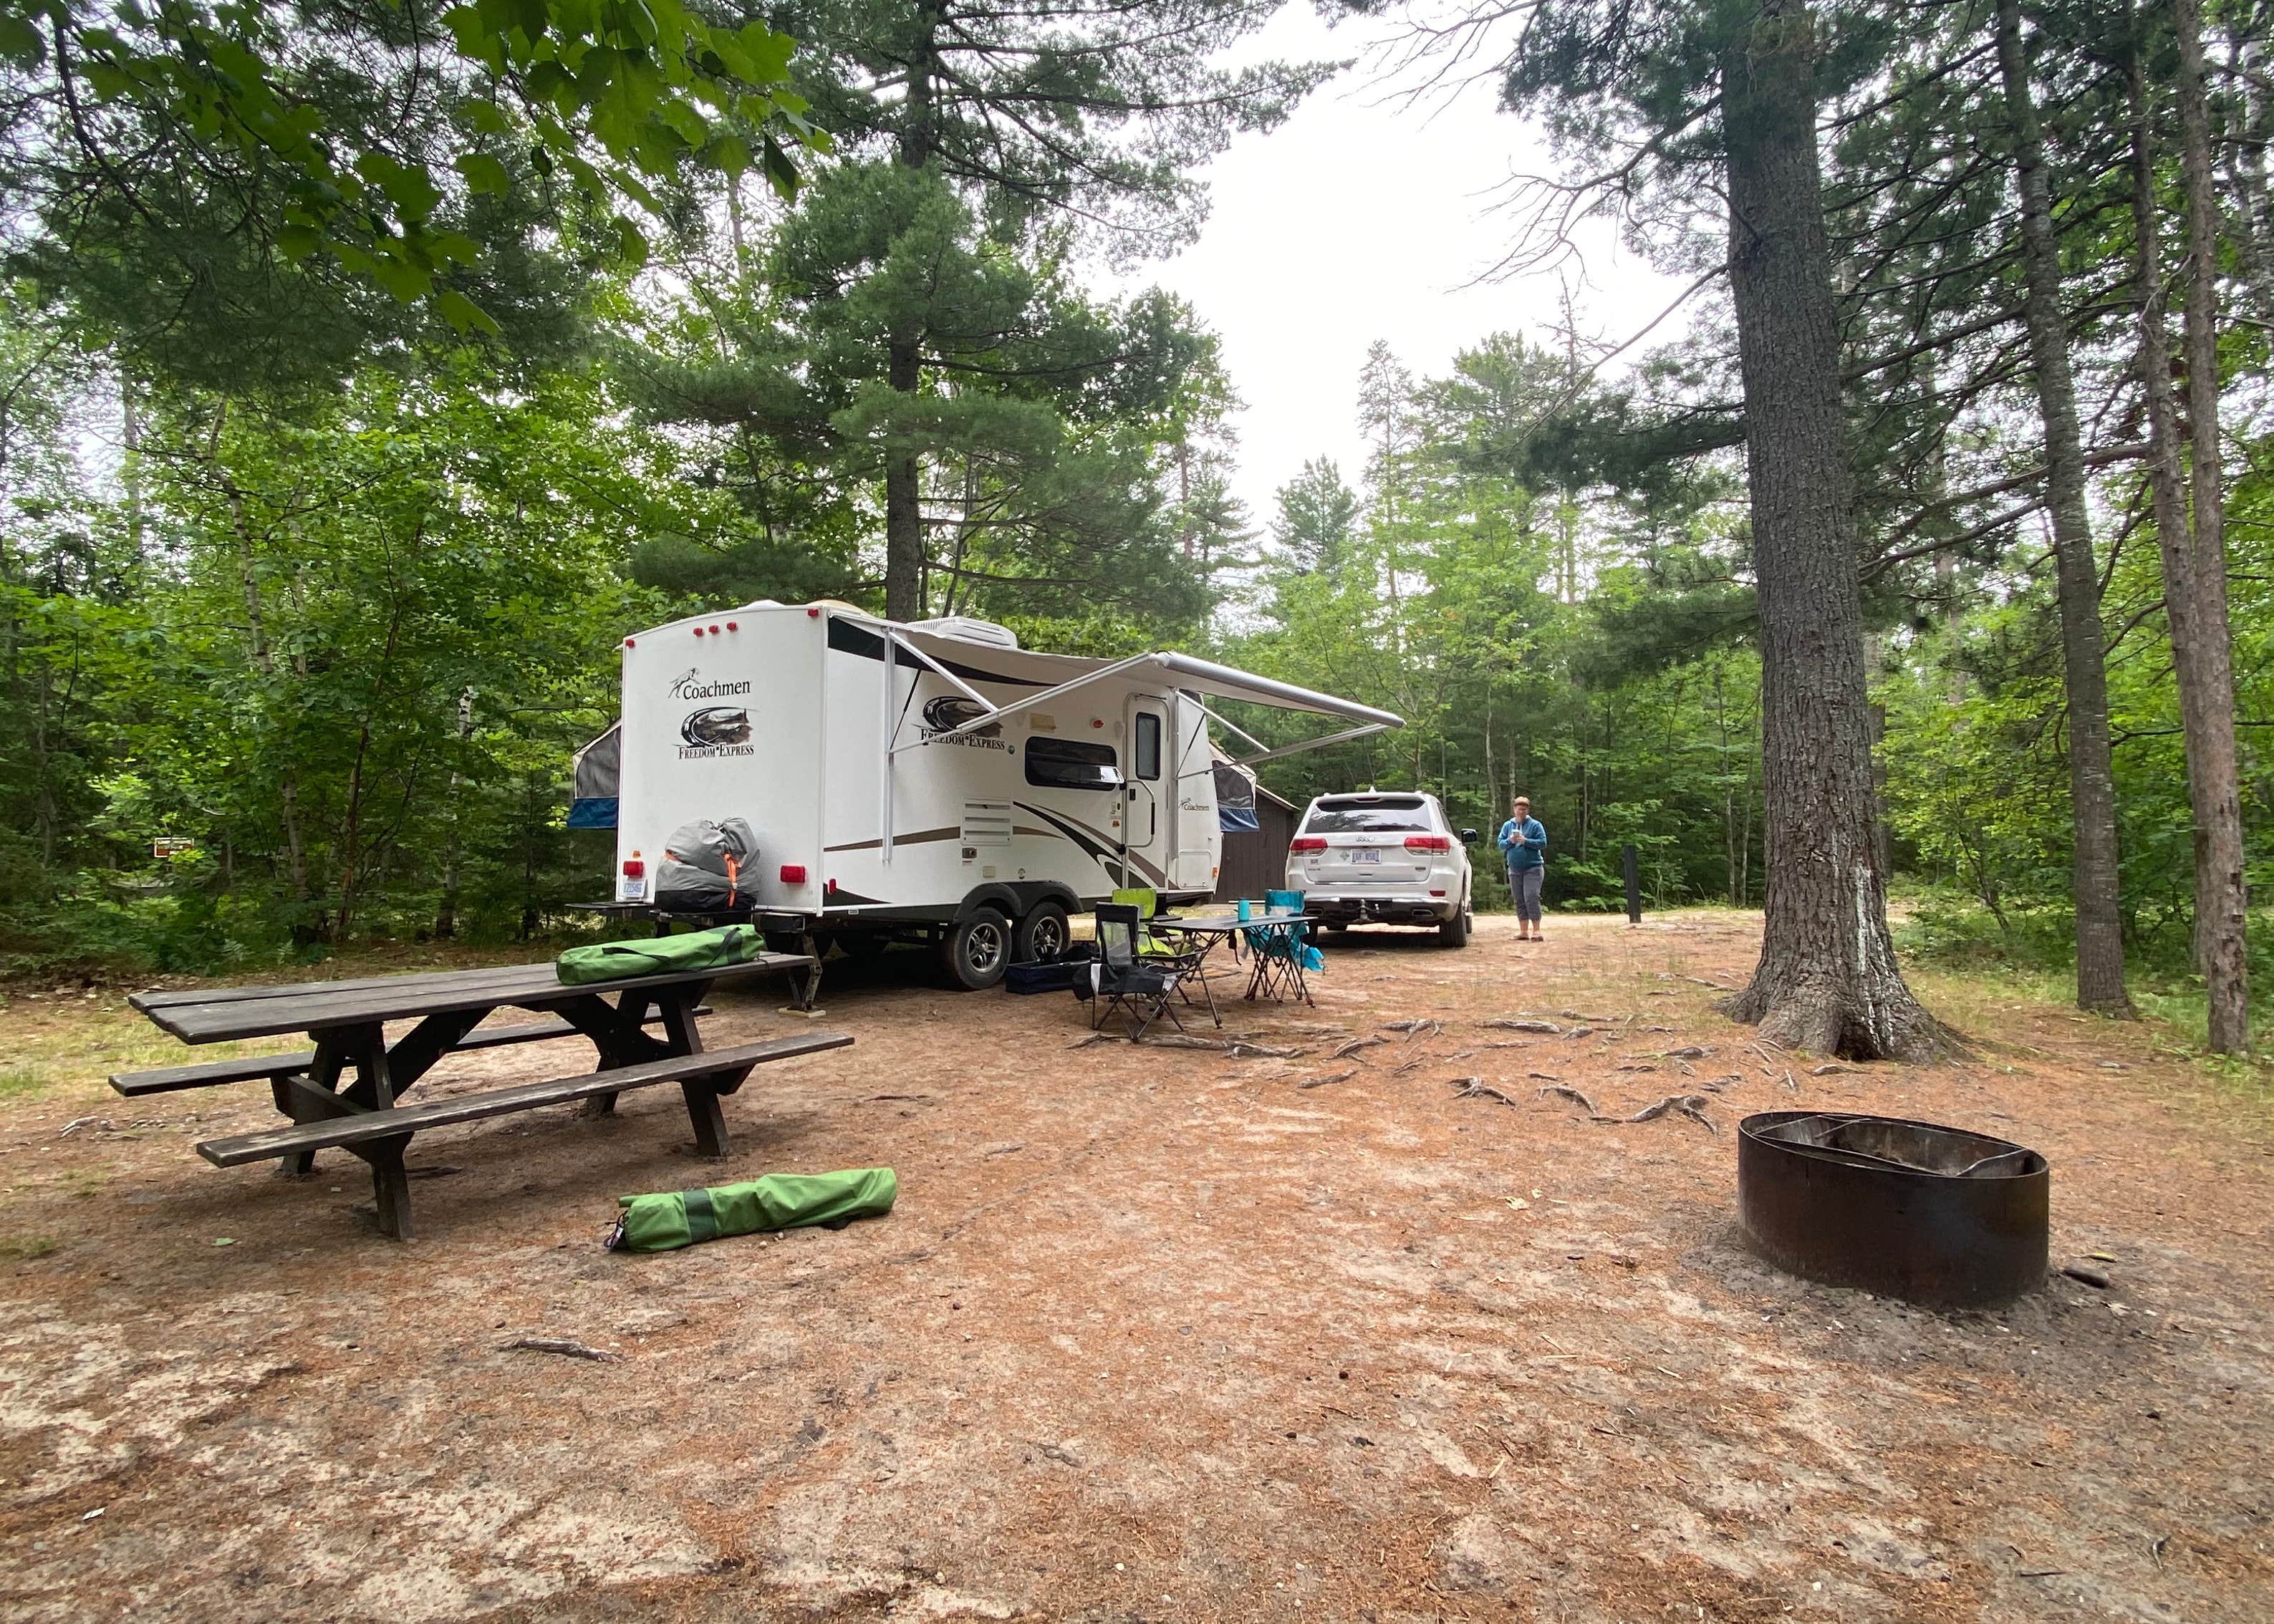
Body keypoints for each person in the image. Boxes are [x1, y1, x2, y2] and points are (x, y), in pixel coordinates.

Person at [1498, 796, 1548, 942]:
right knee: (1519, 899)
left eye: (1524, 809)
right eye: (1519, 809)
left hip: (1533, 867)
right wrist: (1510, 841)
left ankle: (1537, 930)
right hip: (1514, 868)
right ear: (1514, 810)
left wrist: (1526, 841)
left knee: (1531, 897)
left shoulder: (1535, 825)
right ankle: (1523, 931)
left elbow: (1543, 843)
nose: (1521, 812)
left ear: (1527, 811)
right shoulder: (1508, 826)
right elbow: (1500, 844)